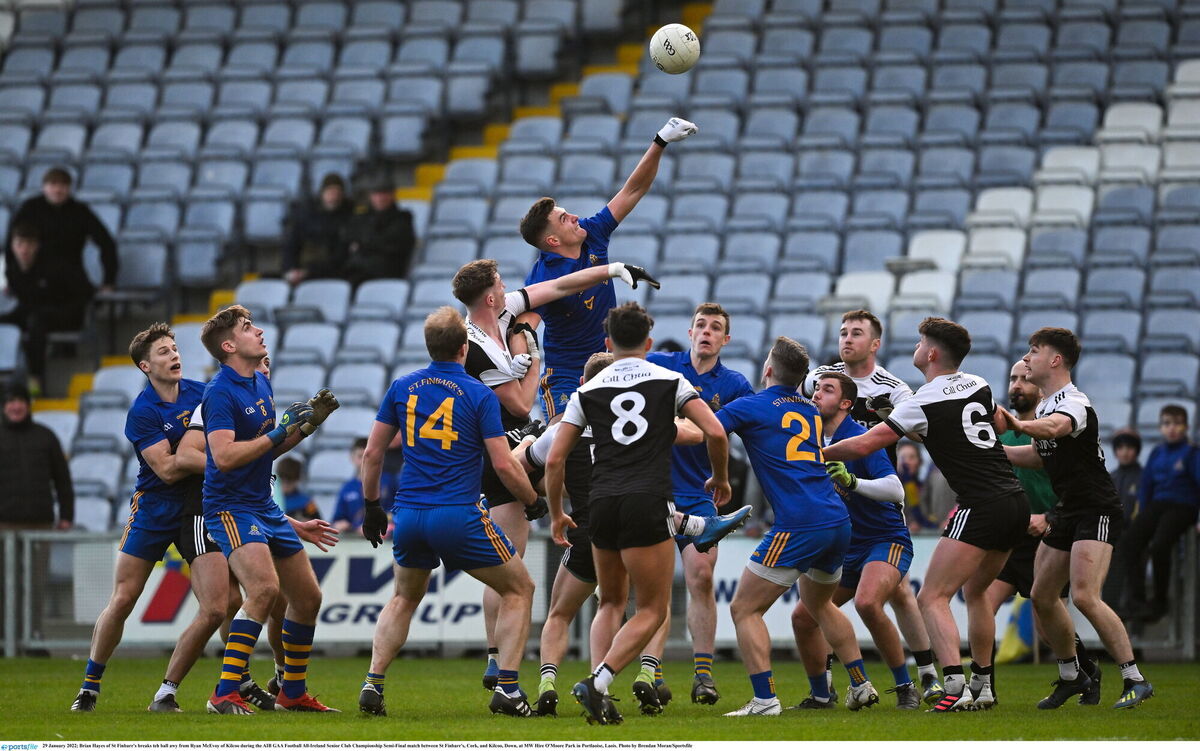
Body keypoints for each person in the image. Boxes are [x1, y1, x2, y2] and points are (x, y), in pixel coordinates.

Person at [70, 324, 337, 713]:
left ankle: (229, 685)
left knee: (230, 602)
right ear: (145, 366)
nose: (174, 355)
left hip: (202, 506)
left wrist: (281, 437)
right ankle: (90, 685)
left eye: (175, 348)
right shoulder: (145, 412)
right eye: (163, 352)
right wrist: (231, 454)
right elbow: (170, 467)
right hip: (159, 507)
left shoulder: (201, 392)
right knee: (126, 596)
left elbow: (249, 460)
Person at [451, 257, 657, 690]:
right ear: (490, 295)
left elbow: (558, 287)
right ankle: (497, 657)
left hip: (517, 445)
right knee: (508, 562)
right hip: (497, 453)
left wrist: (611, 270)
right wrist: (531, 350)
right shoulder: (478, 345)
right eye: (501, 283)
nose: (509, 288)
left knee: (519, 549)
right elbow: (522, 404)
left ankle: (502, 657)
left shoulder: (502, 311)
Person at [526, 352, 749, 717]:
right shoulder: (645, 415)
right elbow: (701, 432)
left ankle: (551, 682)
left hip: (591, 522)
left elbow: (532, 465)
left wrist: (550, 508)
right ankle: (643, 672)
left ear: (585, 384)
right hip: (644, 510)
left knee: (579, 610)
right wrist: (674, 419)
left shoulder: (567, 422)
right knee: (655, 605)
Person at [825, 317, 1030, 712]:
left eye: (920, 342)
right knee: (977, 595)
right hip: (1014, 500)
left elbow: (865, 444)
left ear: (932, 353)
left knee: (932, 596)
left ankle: (953, 684)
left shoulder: (920, 400)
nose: (916, 348)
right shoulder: (980, 385)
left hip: (981, 502)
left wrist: (816, 454)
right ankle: (983, 686)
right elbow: (995, 422)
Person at [356, 307, 543, 718]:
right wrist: (531, 500)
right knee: (520, 589)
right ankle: (508, 688)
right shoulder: (479, 393)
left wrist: (372, 507)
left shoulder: (402, 386)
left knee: (404, 597)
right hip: (458, 514)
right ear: (464, 348)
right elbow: (504, 464)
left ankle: (373, 683)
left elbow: (372, 454)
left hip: (408, 515)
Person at [714, 338, 877, 716]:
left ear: (767, 369)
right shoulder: (810, 410)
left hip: (799, 523)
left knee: (743, 609)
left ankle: (765, 699)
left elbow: (708, 429)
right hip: (837, 519)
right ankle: (859, 684)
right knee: (820, 606)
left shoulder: (751, 406)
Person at [996, 327, 1152, 709]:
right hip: (1068, 509)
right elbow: (1037, 454)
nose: (1027, 358)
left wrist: (1016, 425)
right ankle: (1072, 675)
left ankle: (1135, 678)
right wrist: (987, 448)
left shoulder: (1074, 403)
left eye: (1034, 351)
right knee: (1042, 595)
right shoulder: (1048, 403)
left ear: (1055, 360)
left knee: (1084, 596)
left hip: (1096, 508)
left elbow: (1057, 428)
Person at [197, 305, 342, 714]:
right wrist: (281, 429)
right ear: (229, 346)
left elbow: (268, 450)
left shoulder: (260, 383)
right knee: (263, 590)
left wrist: (306, 425)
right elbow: (224, 457)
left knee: (308, 597)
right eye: (248, 328)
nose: (258, 331)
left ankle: (291, 693)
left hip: (263, 505)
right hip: (230, 507)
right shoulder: (219, 392)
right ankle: (223, 693)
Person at [519, 117, 697, 420]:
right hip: (566, 376)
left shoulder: (592, 234)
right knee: (562, 443)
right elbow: (526, 322)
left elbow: (633, 190)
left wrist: (660, 141)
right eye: (564, 219)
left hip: (611, 366)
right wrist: (522, 357)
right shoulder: (543, 276)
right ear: (552, 240)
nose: (575, 217)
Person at [798, 310, 938, 691]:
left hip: (876, 495)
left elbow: (924, 433)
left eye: (856, 333)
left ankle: (923, 675)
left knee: (894, 593)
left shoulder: (893, 388)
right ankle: (829, 684)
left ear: (875, 344)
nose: (847, 339)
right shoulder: (820, 378)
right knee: (824, 607)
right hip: (837, 507)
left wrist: (889, 420)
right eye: (843, 332)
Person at [639, 303, 753, 707]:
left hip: (698, 494)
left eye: (715, 327)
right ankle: (650, 674)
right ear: (690, 333)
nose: (706, 331)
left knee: (701, 576)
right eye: (700, 325)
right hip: (651, 490)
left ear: (726, 339)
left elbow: (756, 434)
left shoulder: (736, 385)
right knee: (652, 588)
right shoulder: (657, 365)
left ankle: (703, 675)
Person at [791, 371, 921, 710]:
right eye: (816, 388)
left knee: (867, 603)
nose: (817, 394)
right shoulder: (811, 437)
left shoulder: (860, 437)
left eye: (827, 390)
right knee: (803, 618)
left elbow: (895, 489)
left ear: (846, 403)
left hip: (885, 538)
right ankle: (822, 695)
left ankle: (907, 687)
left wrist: (853, 483)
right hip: (845, 545)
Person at [989, 359, 1101, 706]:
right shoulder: (1002, 429)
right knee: (982, 600)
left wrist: (1049, 516)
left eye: (1024, 378)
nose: (1016, 385)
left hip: (1051, 534)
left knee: (1046, 627)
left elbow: (1076, 484)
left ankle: (1087, 673)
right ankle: (981, 690)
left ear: (1041, 384)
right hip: (1011, 534)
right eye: (1012, 378)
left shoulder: (1058, 427)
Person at [1121, 405, 1199, 623]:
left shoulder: (1192, 453)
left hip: (1184, 505)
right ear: (1161, 427)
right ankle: (1136, 600)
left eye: (1176, 423)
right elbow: (1145, 488)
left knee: (1160, 545)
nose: (1171, 428)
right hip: (1158, 505)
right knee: (1130, 542)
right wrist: (1143, 517)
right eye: (1166, 423)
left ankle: (1160, 601)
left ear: (1186, 426)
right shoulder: (1157, 452)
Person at [0, 221, 96, 394]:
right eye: (20, 244)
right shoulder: (12, 271)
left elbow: (83, 293)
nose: (24, 249)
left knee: (35, 321)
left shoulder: (55, 266)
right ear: (13, 246)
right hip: (33, 312)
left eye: (29, 244)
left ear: (36, 245)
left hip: (66, 313)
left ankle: (35, 378)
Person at [0, 381, 72, 529]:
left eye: (21, 401)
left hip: (40, 523)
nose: (16, 406)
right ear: (3, 406)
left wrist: (66, 516)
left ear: (28, 405)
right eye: (11, 401)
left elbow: (63, 480)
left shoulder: (46, 436)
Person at [281, 173, 355, 286]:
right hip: (306, 268)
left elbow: (341, 253)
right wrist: (290, 269)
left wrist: (308, 272)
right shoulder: (307, 214)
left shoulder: (350, 215)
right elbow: (292, 244)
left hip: (335, 272)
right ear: (322, 193)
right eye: (330, 191)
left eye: (337, 192)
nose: (333, 196)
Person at [341, 175, 416, 284]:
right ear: (371, 196)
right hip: (357, 269)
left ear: (392, 195)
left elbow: (393, 243)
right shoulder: (362, 217)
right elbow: (347, 236)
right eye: (376, 194)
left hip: (387, 272)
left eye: (384, 193)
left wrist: (361, 245)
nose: (380, 198)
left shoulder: (403, 218)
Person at [332, 437, 394, 533]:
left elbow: (396, 512)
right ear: (352, 458)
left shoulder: (388, 481)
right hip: (355, 541)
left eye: (368, 456)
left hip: (383, 536)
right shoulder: (347, 488)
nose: (365, 461)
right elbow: (338, 519)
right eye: (360, 456)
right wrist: (341, 525)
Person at [1110, 430, 1144, 521]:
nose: (1125, 453)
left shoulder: (1144, 477)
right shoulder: (1109, 478)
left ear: (1137, 450)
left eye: (1129, 447)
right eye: (1120, 448)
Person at [277, 457, 320, 521]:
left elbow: (319, 524)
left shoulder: (307, 503)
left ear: (297, 479)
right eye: (282, 481)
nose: (285, 486)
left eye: (289, 482)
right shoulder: (269, 500)